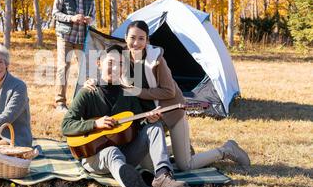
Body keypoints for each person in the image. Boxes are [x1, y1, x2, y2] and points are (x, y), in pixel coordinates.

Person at [84, 21, 250, 172]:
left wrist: (137, 91)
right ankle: (174, 148)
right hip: (148, 117)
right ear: (125, 38)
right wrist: (92, 81)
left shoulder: (156, 59)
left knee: (186, 165)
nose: (136, 43)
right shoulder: (121, 57)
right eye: (132, 38)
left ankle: (227, 149)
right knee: (148, 167)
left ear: (147, 40)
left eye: (141, 39)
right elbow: (110, 74)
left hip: (172, 111)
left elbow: (169, 91)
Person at [62, 45, 189, 187]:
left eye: (121, 64)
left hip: (126, 153)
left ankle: (163, 176)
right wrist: (95, 124)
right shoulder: (88, 93)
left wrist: (148, 120)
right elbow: (66, 125)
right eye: (111, 63)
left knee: (154, 127)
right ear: (99, 63)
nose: (116, 68)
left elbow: (138, 125)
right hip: (95, 156)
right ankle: (133, 186)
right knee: (112, 151)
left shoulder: (127, 93)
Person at [52, 0, 96, 113]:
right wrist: (71, 18)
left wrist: (90, 20)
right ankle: (60, 103)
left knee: (86, 70)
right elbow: (55, 13)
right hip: (66, 36)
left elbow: (94, 17)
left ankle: (82, 102)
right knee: (63, 68)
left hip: (82, 38)